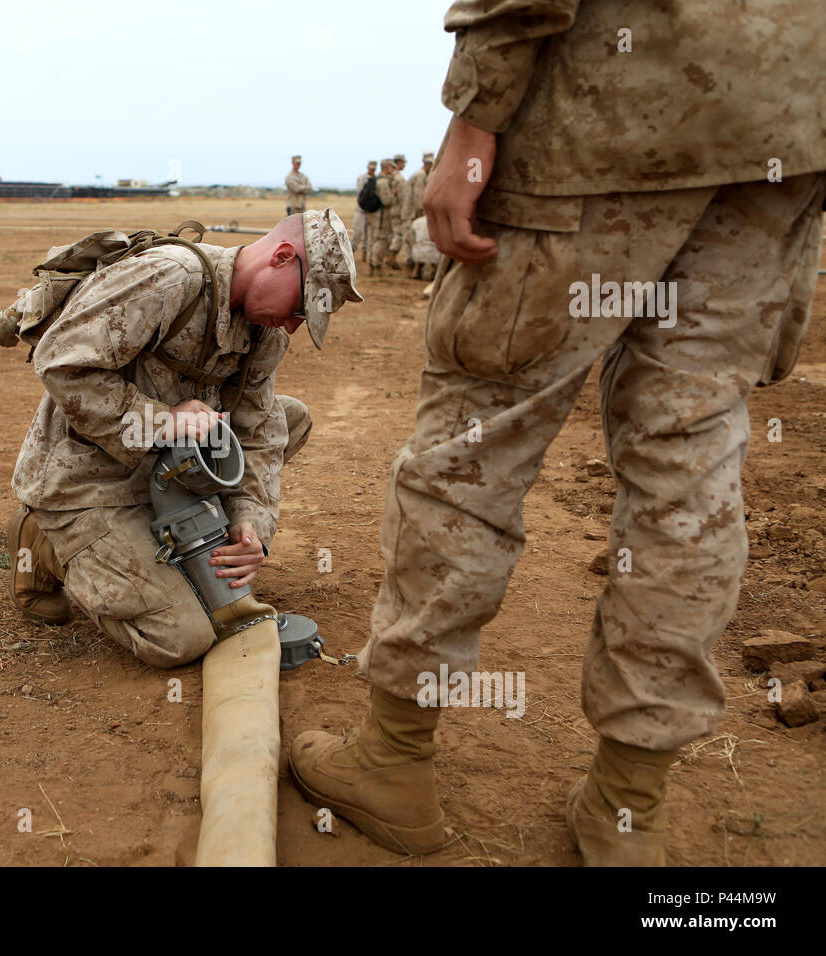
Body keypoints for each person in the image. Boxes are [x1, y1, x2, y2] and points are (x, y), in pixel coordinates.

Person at [289, 0, 826, 866]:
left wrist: (476, 112)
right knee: (689, 465)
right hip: (788, 122)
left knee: (476, 438)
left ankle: (393, 756)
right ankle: (627, 811)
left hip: (610, 112)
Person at [7, 211, 361, 667]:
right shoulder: (169, 278)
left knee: (289, 417)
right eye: (299, 308)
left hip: (171, 470)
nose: (293, 325)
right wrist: (161, 421)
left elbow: (259, 432)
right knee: (182, 638)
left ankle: (154, 528)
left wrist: (252, 522)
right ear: (281, 256)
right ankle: (49, 541)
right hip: (89, 478)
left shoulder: (265, 332)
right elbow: (60, 363)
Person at [364, 159, 403, 276]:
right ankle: (377, 267)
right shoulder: (384, 182)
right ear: (387, 167)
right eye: (392, 167)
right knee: (381, 241)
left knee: (372, 240)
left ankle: (371, 266)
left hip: (373, 215)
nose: (393, 169)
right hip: (381, 218)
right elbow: (387, 201)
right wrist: (394, 194)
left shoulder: (375, 180)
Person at [400, 152, 434, 269]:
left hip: (412, 212)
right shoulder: (420, 176)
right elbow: (418, 197)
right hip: (412, 213)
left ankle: (414, 262)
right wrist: (421, 214)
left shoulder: (423, 175)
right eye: (429, 164)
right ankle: (409, 263)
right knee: (409, 238)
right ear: (425, 163)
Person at [353, 161, 377, 262]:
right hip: (361, 210)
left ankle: (366, 254)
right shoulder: (362, 178)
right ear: (368, 167)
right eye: (371, 168)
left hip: (371, 211)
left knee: (369, 235)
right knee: (358, 232)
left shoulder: (376, 179)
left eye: (374, 169)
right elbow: (361, 192)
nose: (372, 170)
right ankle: (351, 251)